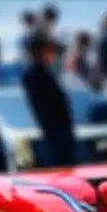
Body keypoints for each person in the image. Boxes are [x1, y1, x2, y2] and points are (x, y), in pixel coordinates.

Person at [22, 34, 77, 167]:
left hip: (59, 126)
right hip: (53, 127)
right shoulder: (34, 73)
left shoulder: (45, 71)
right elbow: (42, 103)